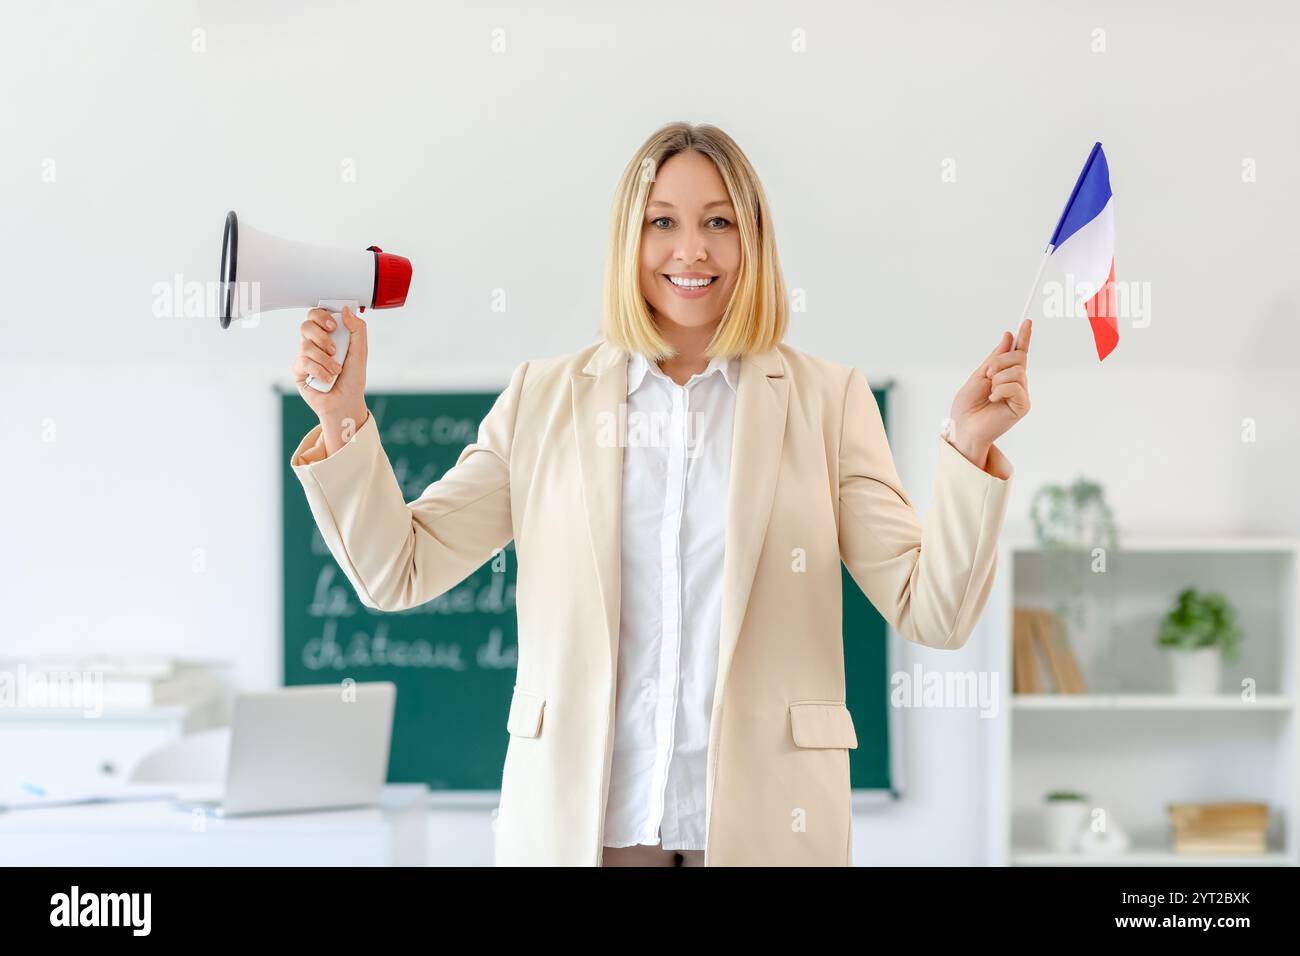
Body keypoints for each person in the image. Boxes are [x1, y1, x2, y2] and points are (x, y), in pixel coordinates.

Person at [288, 122, 1029, 866]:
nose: (691, 250)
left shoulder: (828, 401)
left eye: (718, 222)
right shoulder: (542, 399)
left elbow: (932, 610)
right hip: (586, 829)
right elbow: (399, 568)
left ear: (754, 241)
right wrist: (342, 415)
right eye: (662, 222)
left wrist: (967, 447)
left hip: (770, 828)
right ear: (627, 241)